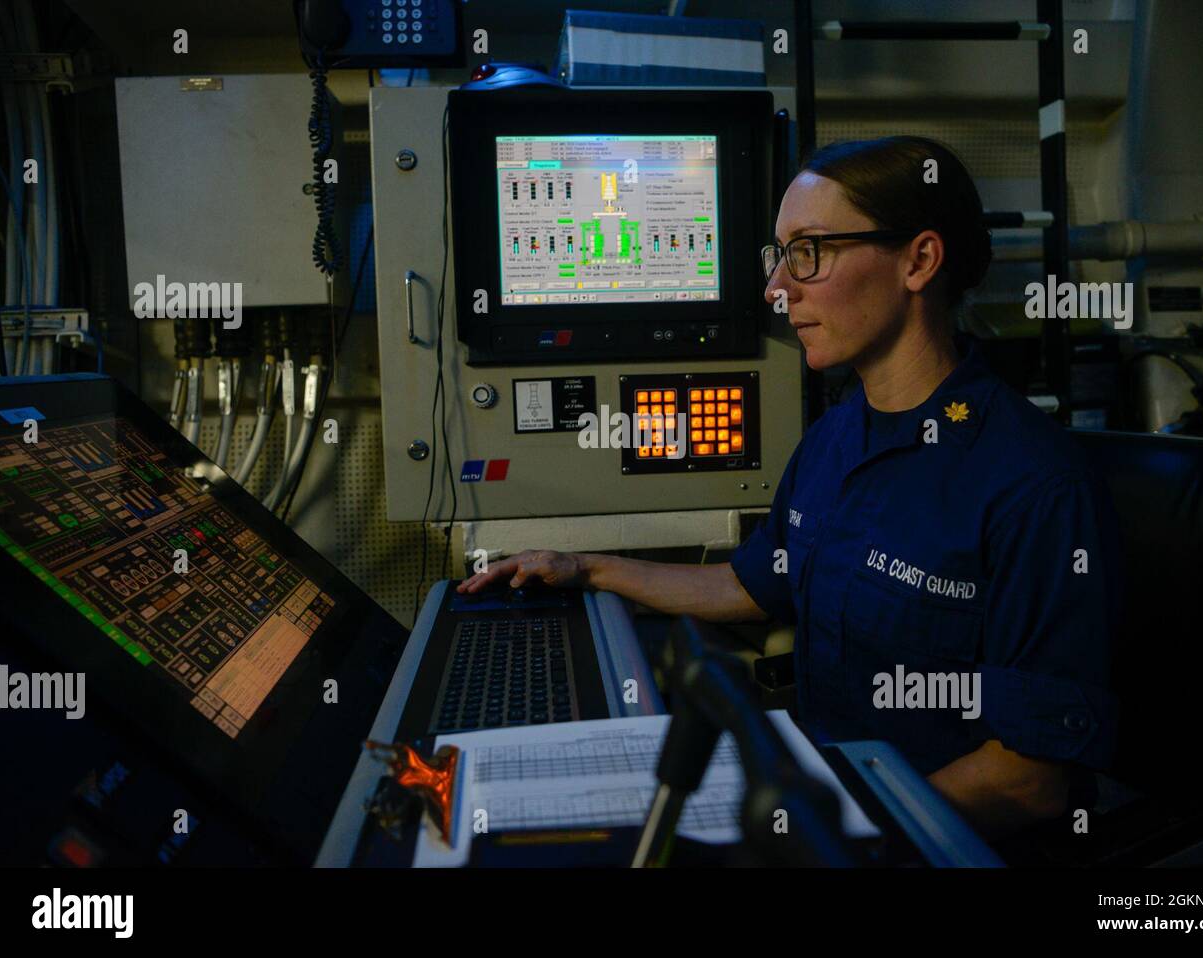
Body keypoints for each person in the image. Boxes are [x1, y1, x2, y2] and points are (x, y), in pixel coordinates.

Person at [460, 136, 1121, 838]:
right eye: (780, 256)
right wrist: (588, 568)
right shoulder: (836, 437)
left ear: (919, 261)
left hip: (915, 841)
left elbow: (1032, 777)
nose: (778, 288)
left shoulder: (1034, 484)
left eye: (809, 251)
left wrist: (838, 834)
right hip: (820, 805)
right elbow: (755, 583)